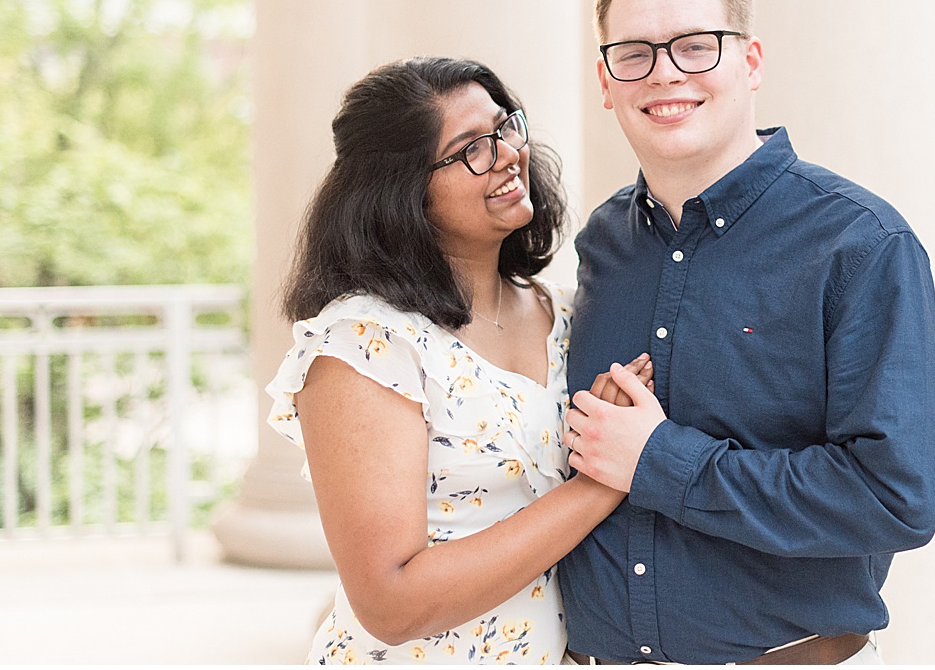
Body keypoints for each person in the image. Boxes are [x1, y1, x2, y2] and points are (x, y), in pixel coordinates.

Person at [558, 0, 935, 665]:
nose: (666, 72)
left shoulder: (861, 244)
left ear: (752, 62)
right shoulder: (603, 243)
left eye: (696, 47)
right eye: (634, 52)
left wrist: (661, 460)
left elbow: (896, 498)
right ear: (606, 81)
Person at [266, 56, 652, 665]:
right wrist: (599, 485)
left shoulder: (568, 314)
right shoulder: (364, 346)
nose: (506, 155)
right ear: (401, 190)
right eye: (471, 148)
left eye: (506, 128)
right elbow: (392, 606)